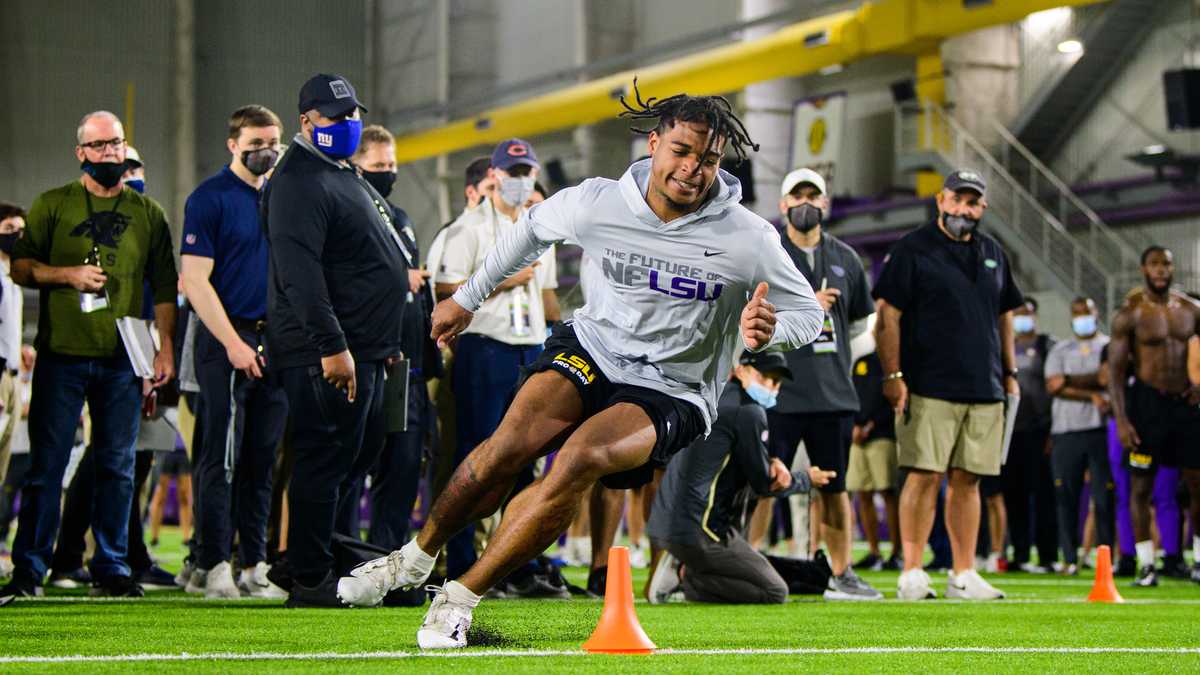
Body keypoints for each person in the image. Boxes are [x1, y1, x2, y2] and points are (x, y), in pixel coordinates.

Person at [342, 84, 824, 649]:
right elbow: (529, 233)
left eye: (709, 158)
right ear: (655, 143)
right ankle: (414, 558)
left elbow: (807, 317)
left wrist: (766, 334)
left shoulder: (748, 236)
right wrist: (467, 298)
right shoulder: (599, 201)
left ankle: (459, 598)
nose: (694, 169)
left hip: (674, 387)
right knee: (507, 446)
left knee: (578, 459)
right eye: (683, 151)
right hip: (593, 348)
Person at [1, 110, 177, 599]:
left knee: (119, 466)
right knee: (47, 466)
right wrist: (67, 276)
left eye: (116, 144)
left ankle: (112, 566)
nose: (109, 154)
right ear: (80, 152)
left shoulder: (149, 213)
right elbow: (20, 267)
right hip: (60, 354)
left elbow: (165, 286)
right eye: (99, 146)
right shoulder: (52, 204)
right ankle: (30, 570)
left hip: (123, 359)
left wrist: (165, 352)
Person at [263, 74, 408, 607]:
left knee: (352, 459)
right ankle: (310, 575)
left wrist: (384, 340)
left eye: (352, 114)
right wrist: (331, 346)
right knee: (324, 457)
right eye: (334, 115)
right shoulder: (298, 180)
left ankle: (309, 557)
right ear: (307, 121)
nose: (348, 123)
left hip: (367, 348)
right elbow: (299, 275)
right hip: (325, 351)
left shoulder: (340, 174)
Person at [873, 169, 1022, 601]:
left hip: (985, 386)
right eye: (957, 200)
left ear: (982, 208)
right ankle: (913, 570)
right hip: (928, 383)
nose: (964, 210)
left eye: (972, 203)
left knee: (969, 479)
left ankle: (963, 572)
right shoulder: (912, 248)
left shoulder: (994, 252)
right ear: (941, 200)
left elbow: (1005, 314)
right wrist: (894, 375)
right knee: (923, 475)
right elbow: (888, 315)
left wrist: (1009, 374)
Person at [432, 138, 560, 580]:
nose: (522, 182)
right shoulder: (468, 229)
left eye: (528, 173)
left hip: (530, 349)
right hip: (485, 347)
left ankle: (513, 564)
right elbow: (446, 293)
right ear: (496, 175)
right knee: (477, 456)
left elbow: (547, 296)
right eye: (515, 173)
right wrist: (502, 279)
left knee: (526, 460)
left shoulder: (542, 226)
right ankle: (463, 561)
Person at [180, 104, 289, 599]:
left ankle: (255, 564)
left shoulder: (284, 198)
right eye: (255, 143)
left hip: (276, 341)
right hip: (225, 340)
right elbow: (195, 282)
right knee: (219, 457)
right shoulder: (210, 198)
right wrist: (233, 344)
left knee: (262, 458)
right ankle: (213, 562)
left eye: (273, 141)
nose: (265, 151)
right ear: (232, 144)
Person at [766, 168, 879, 600]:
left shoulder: (846, 259)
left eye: (814, 195)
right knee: (764, 483)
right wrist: (804, 308)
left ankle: (842, 570)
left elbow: (858, 329)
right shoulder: (769, 253)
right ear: (783, 204)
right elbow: (750, 313)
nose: (806, 203)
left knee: (835, 487)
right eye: (798, 195)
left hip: (833, 393)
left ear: (826, 203)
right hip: (778, 387)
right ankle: (752, 558)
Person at [645, 350, 833, 604]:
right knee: (775, 591)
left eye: (776, 382)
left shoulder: (715, 398)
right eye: (765, 377)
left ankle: (685, 566)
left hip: (663, 523)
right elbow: (764, 484)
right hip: (700, 531)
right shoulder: (748, 411)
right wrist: (805, 479)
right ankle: (685, 578)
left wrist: (769, 464)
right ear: (741, 369)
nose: (771, 387)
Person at [348, 124, 440, 550]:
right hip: (366, 355)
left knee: (404, 463)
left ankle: (387, 552)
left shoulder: (401, 220)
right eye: (378, 165)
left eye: (392, 164)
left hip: (407, 363)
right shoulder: (349, 215)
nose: (388, 172)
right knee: (355, 461)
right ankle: (344, 551)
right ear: (356, 166)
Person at [1107, 246, 1200, 587]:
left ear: (1173, 269)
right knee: (1140, 488)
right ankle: (1146, 564)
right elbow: (1115, 374)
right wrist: (1122, 420)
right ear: (1144, 269)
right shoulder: (1129, 314)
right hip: (1146, 407)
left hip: (1186, 406)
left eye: (1166, 264)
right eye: (1155, 264)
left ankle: (1199, 561)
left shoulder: (1192, 310)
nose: (1161, 270)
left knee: (1196, 485)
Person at [1045, 297, 1113, 575]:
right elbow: (1053, 385)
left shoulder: (1108, 346)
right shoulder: (1060, 348)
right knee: (1065, 496)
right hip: (1066, 432)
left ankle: (1105, 560)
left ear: (1096, 313)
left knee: (1104, 498)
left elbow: (1106, 378)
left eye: (1086, 312)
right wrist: (1093, 389)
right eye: (1076, 313)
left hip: (1099, 430)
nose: (1082, 317)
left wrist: (1069, 381)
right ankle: (1070, 558)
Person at [1001, 299, 1057, 573]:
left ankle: (1048, 555)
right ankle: (1020, 553)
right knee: (1014, 496)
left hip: (1039, 431)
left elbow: (1055, 389)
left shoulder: (1047, 345)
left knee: (1044, 495)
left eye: (1028, 313)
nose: (1024, 318)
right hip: (1012, 432)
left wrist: (1052, 430)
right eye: (1018, 313)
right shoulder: (1004, 345)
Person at [847, 348, 901, 571]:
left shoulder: (895, 363)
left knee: (888, 492)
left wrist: (871, 424)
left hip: (883, 435)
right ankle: (874, 551)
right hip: (858, 437)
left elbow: (893, 399)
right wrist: (855, 425)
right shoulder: (862, 361)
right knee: (863, 493)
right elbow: (851, 393)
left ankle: (898, 552)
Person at [0, 203, 25, 492]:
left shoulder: (12, 275)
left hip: (13, 376)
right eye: (9, 229)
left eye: (21, 230)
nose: (17, 236)